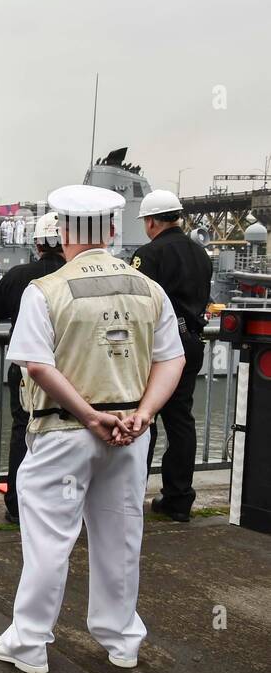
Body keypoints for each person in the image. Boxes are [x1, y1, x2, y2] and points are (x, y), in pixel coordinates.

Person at [0, 185, 185, 673]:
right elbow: (171, 359)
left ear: (63, 230)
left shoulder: (46, 290)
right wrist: (145, 414)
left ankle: (29, 644)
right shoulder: (148, 289)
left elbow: (37, 365)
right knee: (120, 534)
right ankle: (122, 640)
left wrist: (91, 416)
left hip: (65, 431)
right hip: (131, 432)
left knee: (50, 540)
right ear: (113, 230)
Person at [133, 189, 213, 522]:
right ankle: (179, 499)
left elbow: (136, 303)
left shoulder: (149, 255)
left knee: (143, 418)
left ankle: (132, 494)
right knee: (181, 422)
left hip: (159, 349)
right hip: (192, 343)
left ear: (151, 221)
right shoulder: (201, 252)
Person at [0, 211, 65, 524]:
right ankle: (61, 502)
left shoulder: (21, 274)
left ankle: (17, 505)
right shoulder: (74, 272)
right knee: (69, 432)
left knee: (24, 430)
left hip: (27, 367)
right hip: (70, 366)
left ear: (37, 241)